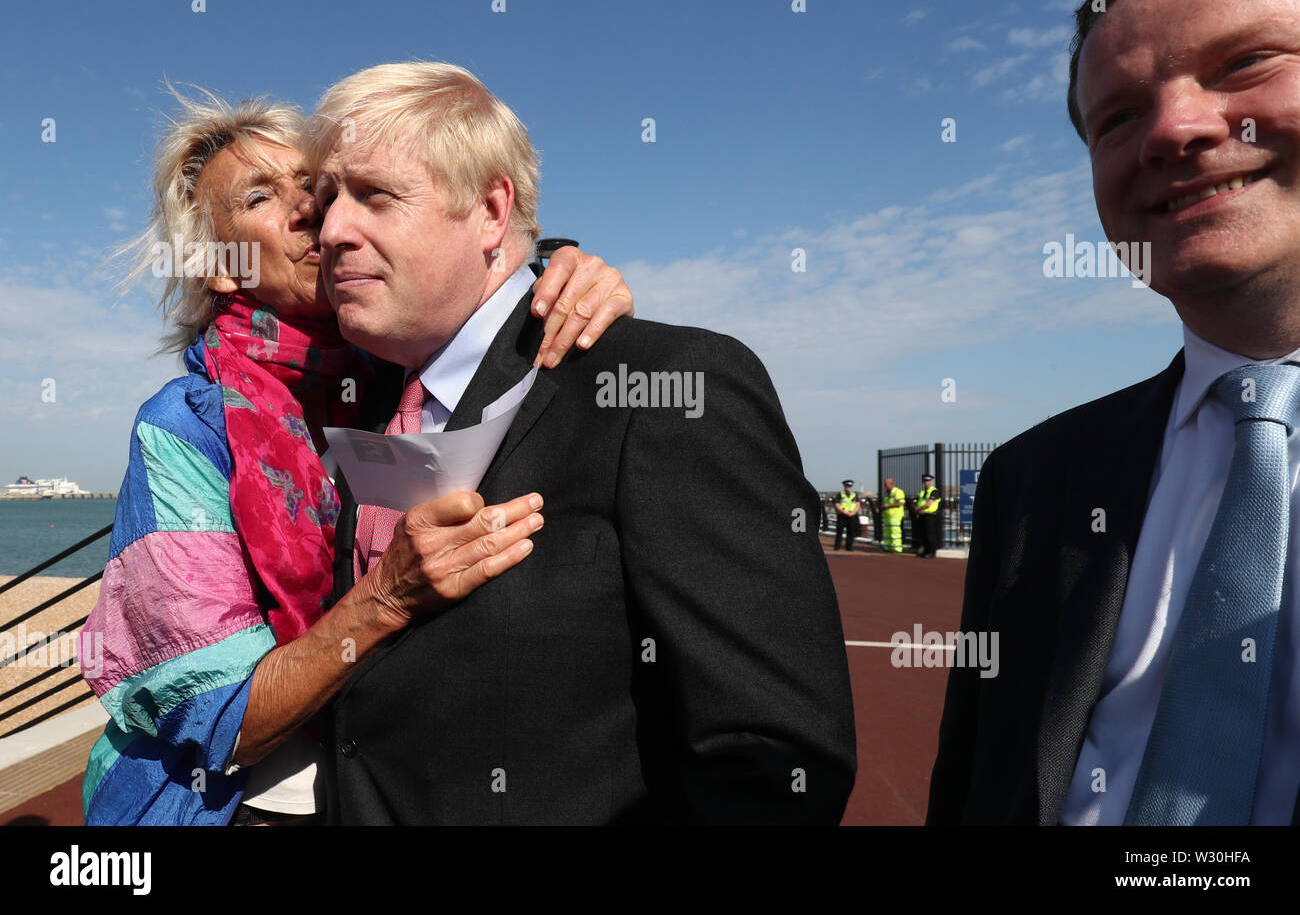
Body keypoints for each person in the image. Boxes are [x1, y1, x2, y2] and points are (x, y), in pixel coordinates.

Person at [310, 61, 857, 825]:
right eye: (326, 199)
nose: (332, 230)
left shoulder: (672, 387)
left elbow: (774, 757)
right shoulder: (361, 400)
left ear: (492, 210)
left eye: (374, 195)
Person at [77, 87, 634, 826]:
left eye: (315, 186)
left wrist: (562, 272)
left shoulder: (396, 375)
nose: (311, 210)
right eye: (259, 198)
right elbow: (223, 719)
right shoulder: (188, 427)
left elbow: (476, 297)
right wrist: (389, 595)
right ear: (219, 264)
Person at [929, 0, 1300, 825]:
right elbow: (970, 782)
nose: (1173, 129)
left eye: (1246, 63)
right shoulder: (1037, 480)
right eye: (1119, 117)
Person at [913, 474, 941, 558]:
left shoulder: (934, 491)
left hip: (930, 515)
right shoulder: (922, 492)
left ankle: (932, 552)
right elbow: (915, 501)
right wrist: (915, 508)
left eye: (928, 481)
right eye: (925, 481)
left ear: (931, 482)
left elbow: (929, 503)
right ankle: (925, 551)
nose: (926, 483)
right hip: (922, 515)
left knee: (930, 535)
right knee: (923, 535)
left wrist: (918, 509)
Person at [833, 479, 861, 551]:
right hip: (842, 515)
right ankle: (837, 546)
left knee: (851, 531)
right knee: (840, 531)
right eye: (847, 486)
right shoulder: (840, 494)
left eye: (849, 486)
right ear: (844, 487)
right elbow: (837, 504)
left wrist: (853, 512)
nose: (848, 488)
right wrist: (844, 512)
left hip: (852, 515)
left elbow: (858, 505)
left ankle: (849, 546)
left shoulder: (854, 495)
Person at [880, 477, 905, 553]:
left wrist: (887, 506)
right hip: (888, 516)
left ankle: (897, 548)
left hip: (895, 515)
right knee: (887, 532)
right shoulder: (887, 493)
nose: (885, 486)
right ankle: (888, 547)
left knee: (895, 532)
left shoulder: (897, 491)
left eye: (886, 485)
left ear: (891, 484)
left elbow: (901, 502)